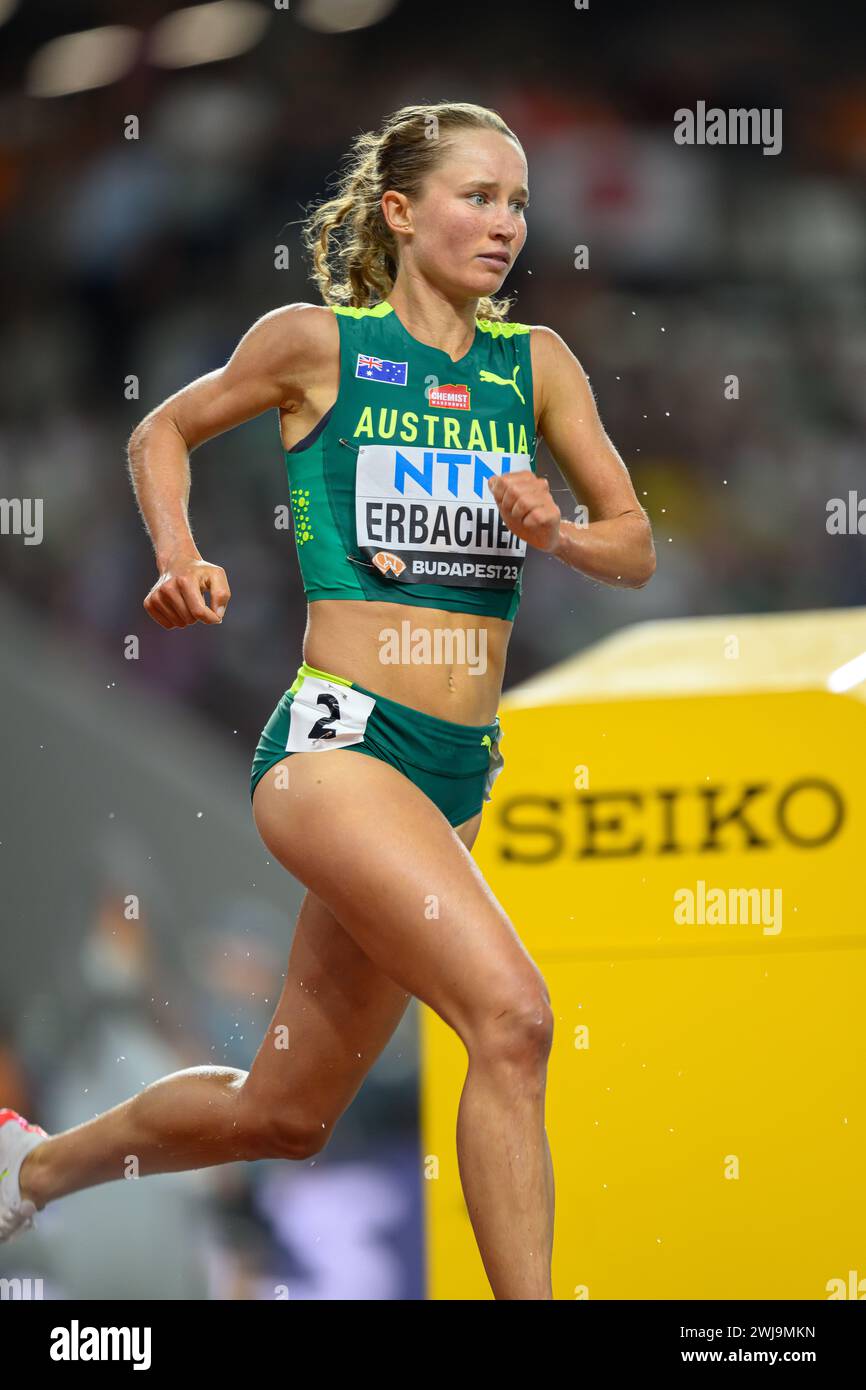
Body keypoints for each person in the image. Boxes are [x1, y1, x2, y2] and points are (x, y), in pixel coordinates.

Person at [1, 100, 655, 1300]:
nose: (505, 222)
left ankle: (31, 1173)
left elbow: (635, 545)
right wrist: (177, 552)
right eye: (476, 195)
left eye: (517, 201)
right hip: (339, 745)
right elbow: (163, 430)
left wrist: (557, 527)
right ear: (400, 212)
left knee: (285, 1114)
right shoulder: (318, 344)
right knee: (510, 1019)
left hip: (452, 779)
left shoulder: (536, 365)